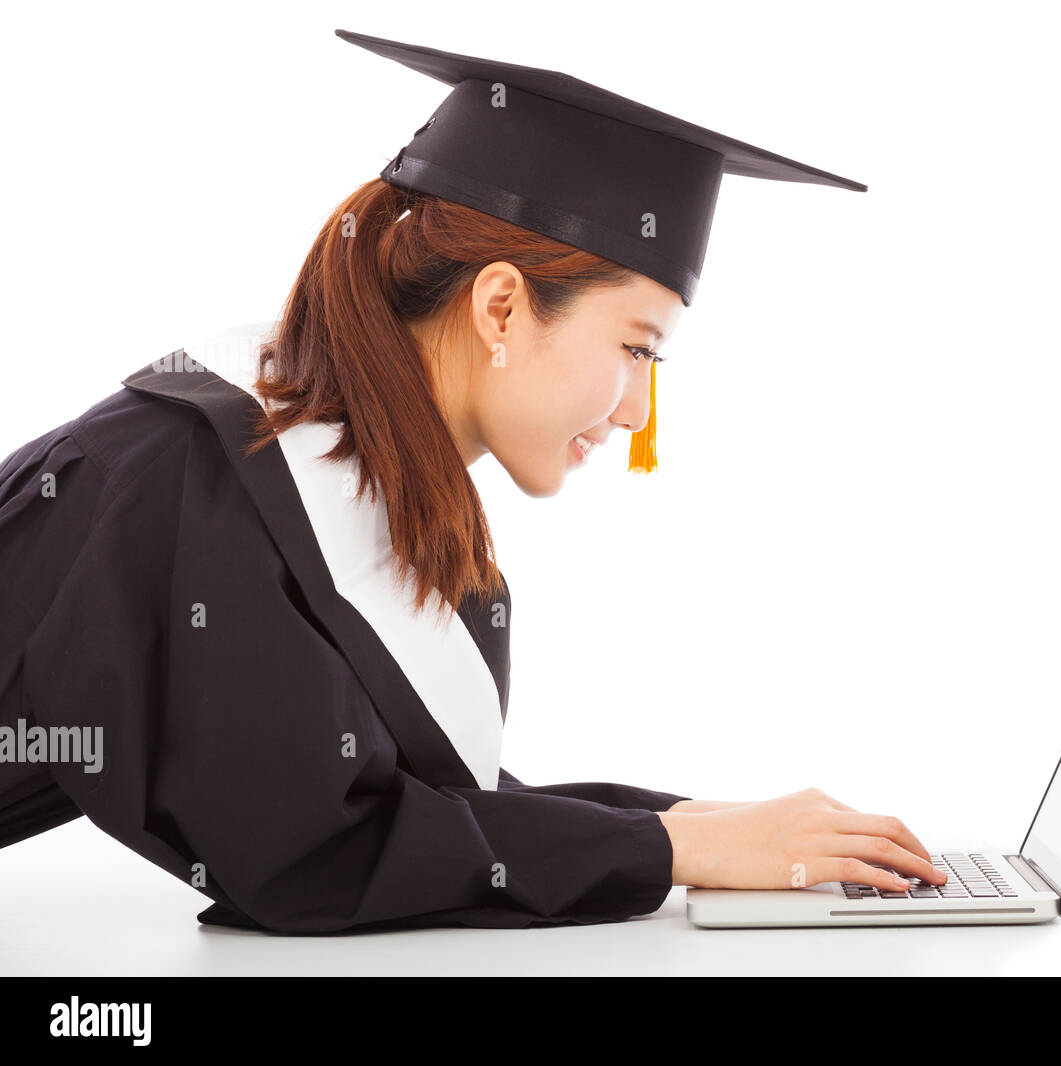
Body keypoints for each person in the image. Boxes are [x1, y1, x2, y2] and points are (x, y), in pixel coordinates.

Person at [0, 29, 946, 933]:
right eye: (634, 349)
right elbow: (304, 853)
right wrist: (665, 850)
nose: (634, 412)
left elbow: (416, 801)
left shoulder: (345, 459)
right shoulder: (204, 481)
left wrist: (695, 827)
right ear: (501, 305)